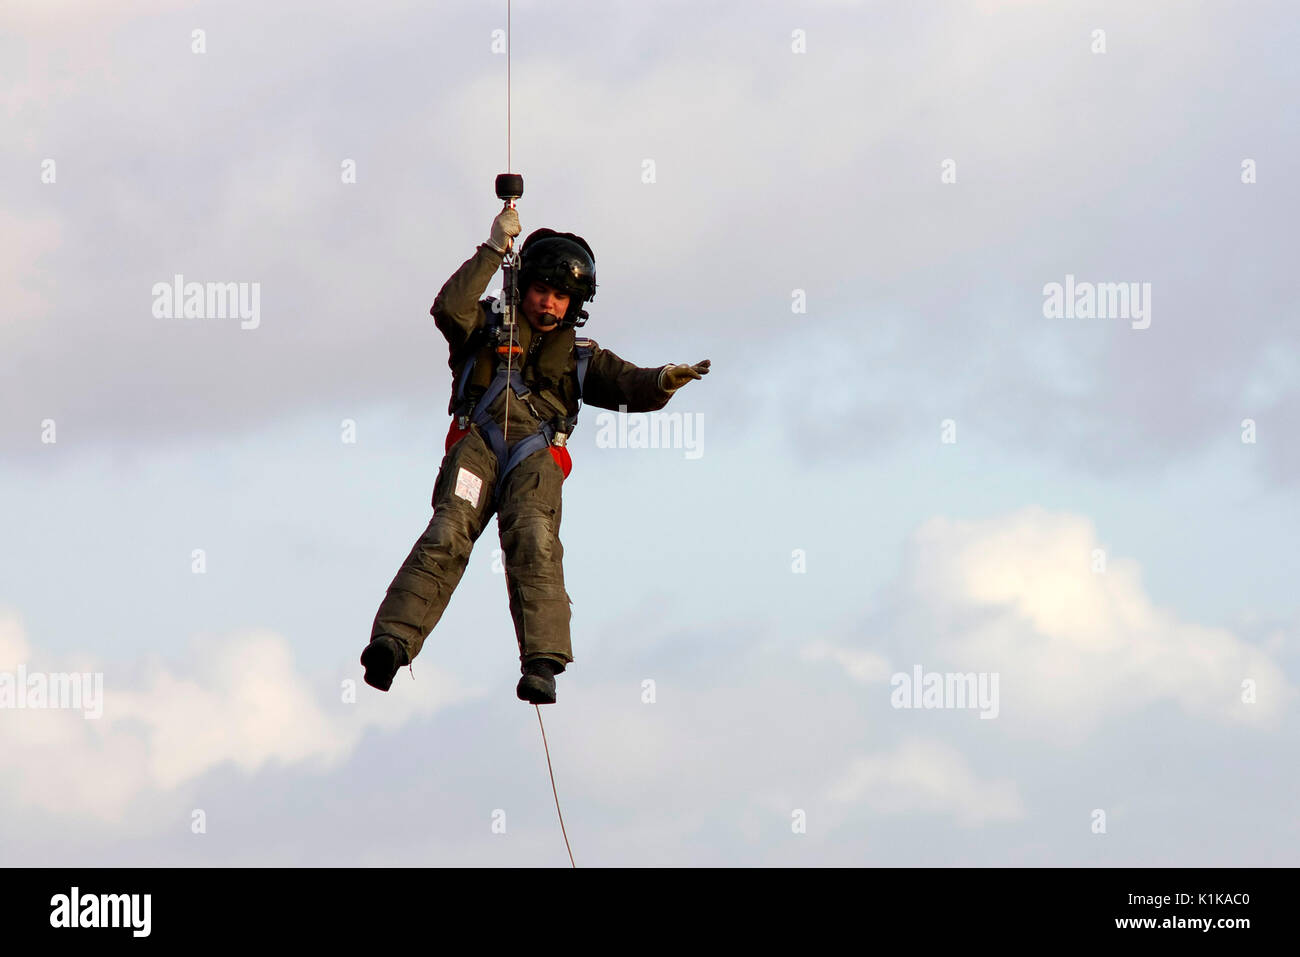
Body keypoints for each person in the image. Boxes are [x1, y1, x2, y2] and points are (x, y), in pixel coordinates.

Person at [361, 207, 711, 704]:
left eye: (560, 296)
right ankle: (391, 645)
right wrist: (492, 250)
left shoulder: (580, 357)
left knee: (533, 537)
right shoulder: (480, 328)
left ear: (574, 304)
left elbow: (628, 384)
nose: (549, 303)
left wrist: (663, 381)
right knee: (447, 531)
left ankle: (542, 664)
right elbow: (448, 309)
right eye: (541, 290)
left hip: (536, 460)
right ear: (522, 287)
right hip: (476, 447)